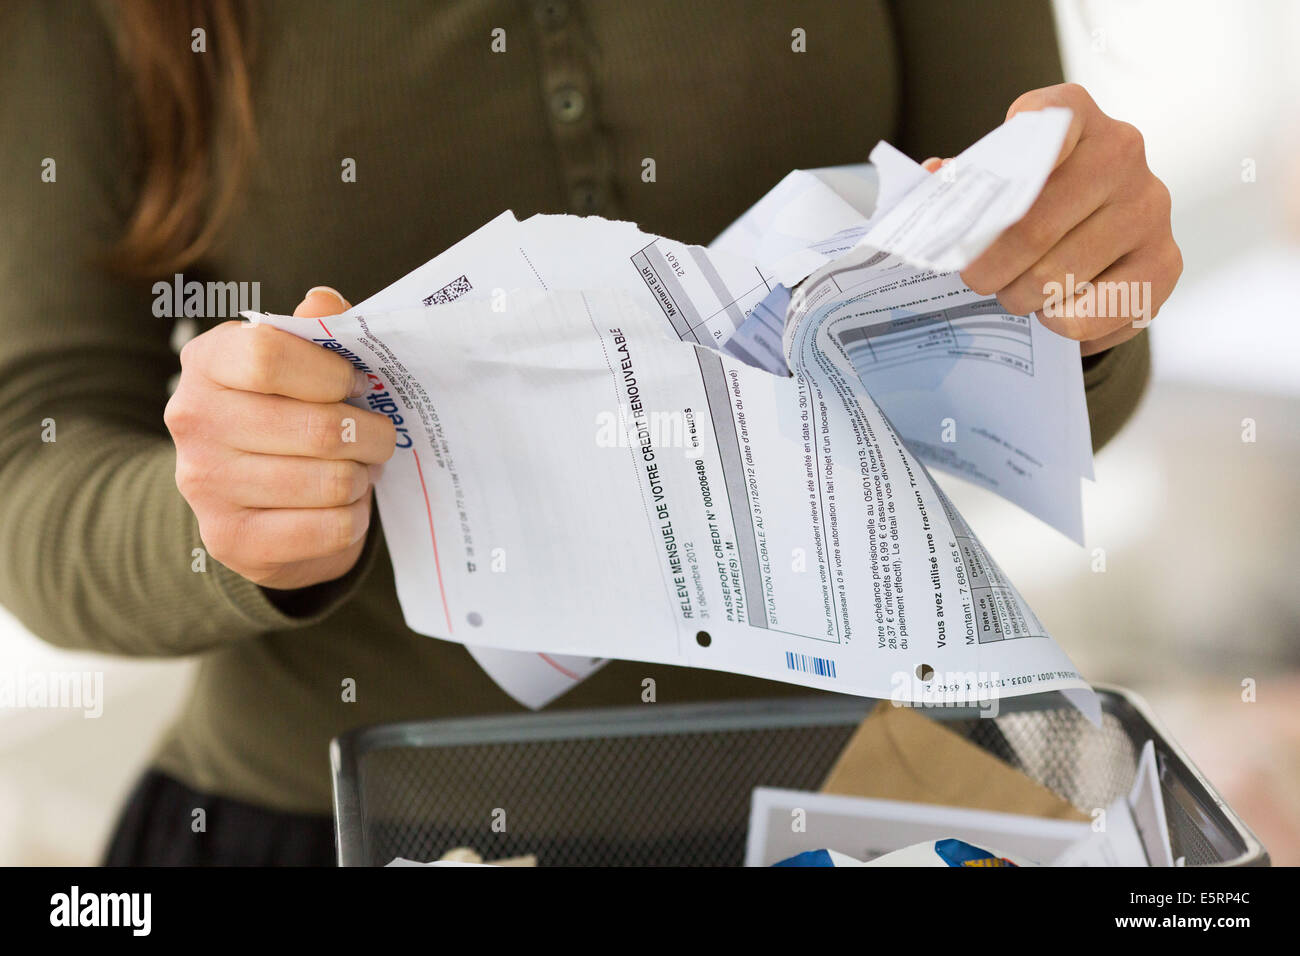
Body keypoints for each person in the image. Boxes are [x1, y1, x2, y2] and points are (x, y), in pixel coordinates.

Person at [0, 0, 1177, 865]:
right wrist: (226, 515)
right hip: (325, 821)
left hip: (875, 814)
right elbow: (31, 465)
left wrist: (1082, 306)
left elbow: (1066, 354)